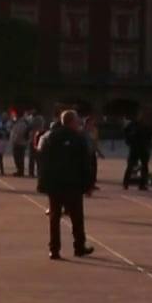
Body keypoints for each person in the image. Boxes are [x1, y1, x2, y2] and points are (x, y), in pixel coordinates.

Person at [37, 110, 95, 259]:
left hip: (54, 184)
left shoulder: (49, 137)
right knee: (77, 218)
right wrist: (88, 185)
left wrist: (43, 183)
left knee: (54, 218)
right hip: (72, 184)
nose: (79, 124)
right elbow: (85, 163)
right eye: (77, 121)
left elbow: (42, 160)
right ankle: (79, 247)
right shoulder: (78, 138)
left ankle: (54, 249)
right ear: (72, 122)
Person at [122, 113, 152, 190]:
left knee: (144, 167)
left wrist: (149, 145)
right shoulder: (132, 125)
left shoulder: (145, 125)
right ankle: (126, 183)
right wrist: (129, 141)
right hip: (135, 148)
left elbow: (150, 135)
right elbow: (126, 133)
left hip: (143, 148)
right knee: (130, 166)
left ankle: (142, 184)